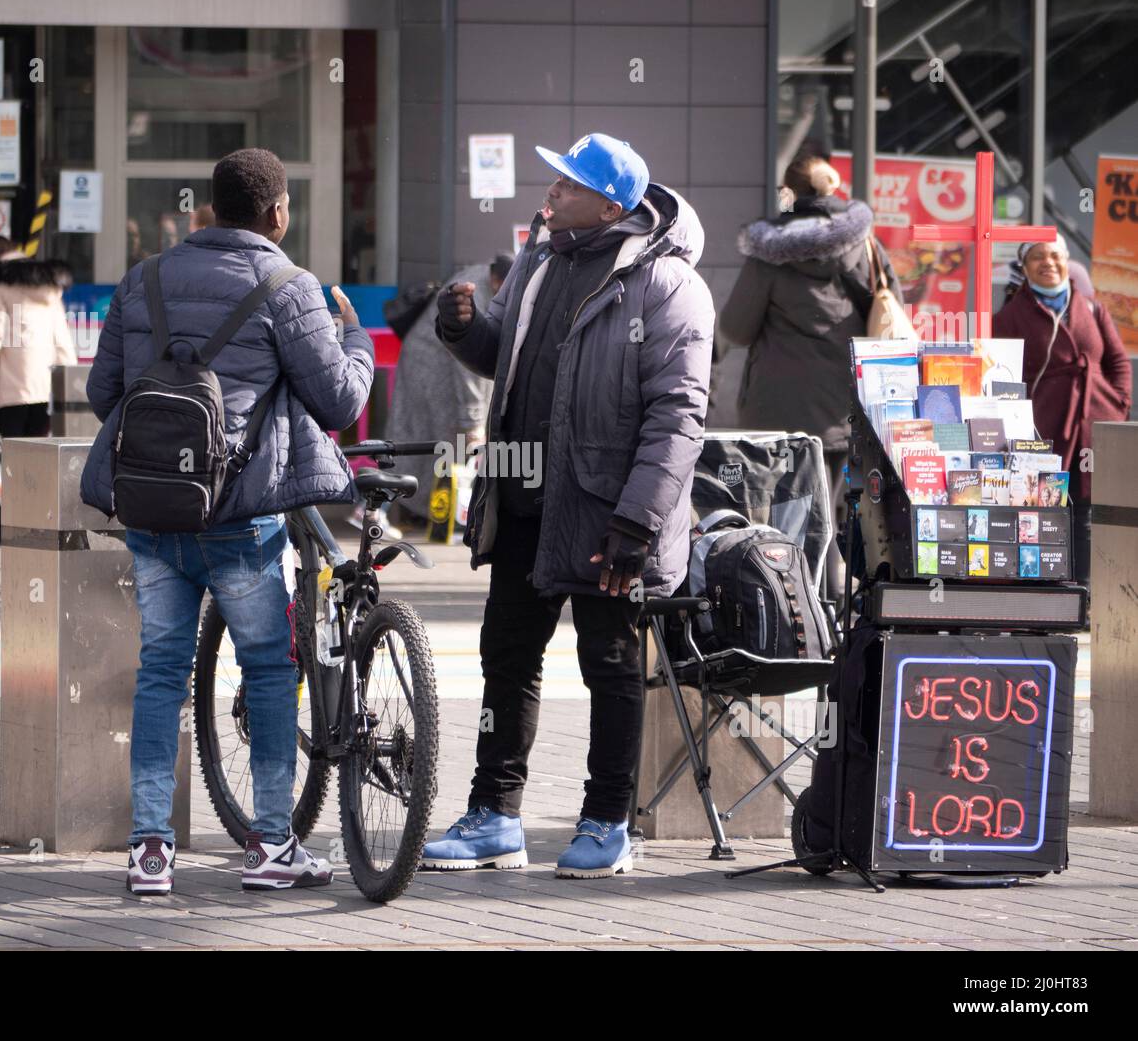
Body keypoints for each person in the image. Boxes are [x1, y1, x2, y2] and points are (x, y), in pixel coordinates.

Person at [80, 148, 375, 895]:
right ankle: (272, 845)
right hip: (241, 522)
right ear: (278, 213)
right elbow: (339, 402)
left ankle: (150, 851)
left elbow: (102, 391)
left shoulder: (142, 278)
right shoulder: (288, 285)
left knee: (161, 674)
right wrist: (355, 340)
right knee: (271, 670)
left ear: (207, 209)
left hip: (152, 517)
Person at [421, 133, 713, 878]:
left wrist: (637, 522)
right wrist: (464, 330)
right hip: (524, 499)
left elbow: (678, 415)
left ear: (611, 204)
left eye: (566, 187)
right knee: (506, 658)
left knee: (609, 665)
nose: (548, 196)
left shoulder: (667, 285)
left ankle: (606, 819)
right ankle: (493, 816)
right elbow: (508, 360)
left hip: (608, 514)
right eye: (553, 183)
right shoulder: (540, 258)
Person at [718, 154, 900, 604]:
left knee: (782, 512)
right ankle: (830, 605)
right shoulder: (865, 245)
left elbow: (737, 329)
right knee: (832, 508)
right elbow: (890, 306)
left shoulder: (769, 254)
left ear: (789, 194)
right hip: (842, 405)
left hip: (775, 410)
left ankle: (787, 610)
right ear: (833, 189)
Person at [993, 238, 1131, 591]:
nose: (1048, 263)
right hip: (1045, 428)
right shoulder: (1012, 314)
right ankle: (1048, 591)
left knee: (1087, 509)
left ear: (1067, 261)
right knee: (1045, 508)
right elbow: (1001, 373)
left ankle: (1084, 591)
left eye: (1055, 255)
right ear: (1024, 267)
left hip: (1094, 426)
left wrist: (1117, 402)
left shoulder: (1092, 308)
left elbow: (1117, 361)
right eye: (1038, 257)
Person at [0, 248, 79, 543]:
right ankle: (36, 525)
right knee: (37, 462)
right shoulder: (46, 284)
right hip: (43, 389)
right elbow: (61, 336)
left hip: (6, 391)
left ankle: (9, 527)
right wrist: (70, 383)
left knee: (8, 463)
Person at [384, 254, 509, 525]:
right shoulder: (475, 290)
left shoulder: (484, 276)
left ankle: (431, 514)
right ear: (497, 280)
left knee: (442, 444)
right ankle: (414, 512)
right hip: (433, 367)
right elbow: (468, 367)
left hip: (436, 364)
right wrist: (474, 422)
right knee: (439, 442)